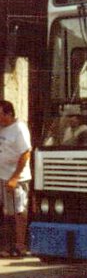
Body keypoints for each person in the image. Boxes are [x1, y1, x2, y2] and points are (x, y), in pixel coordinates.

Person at [0, 100, 32, 257]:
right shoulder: (3, 128)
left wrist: (15, 177)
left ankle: (20, 246)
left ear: (9, 114)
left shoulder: (19, 129)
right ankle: (7, 246)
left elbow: (25, 153)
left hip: (16, 178)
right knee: (7, 213)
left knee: (19, 212)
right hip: (2, 175)